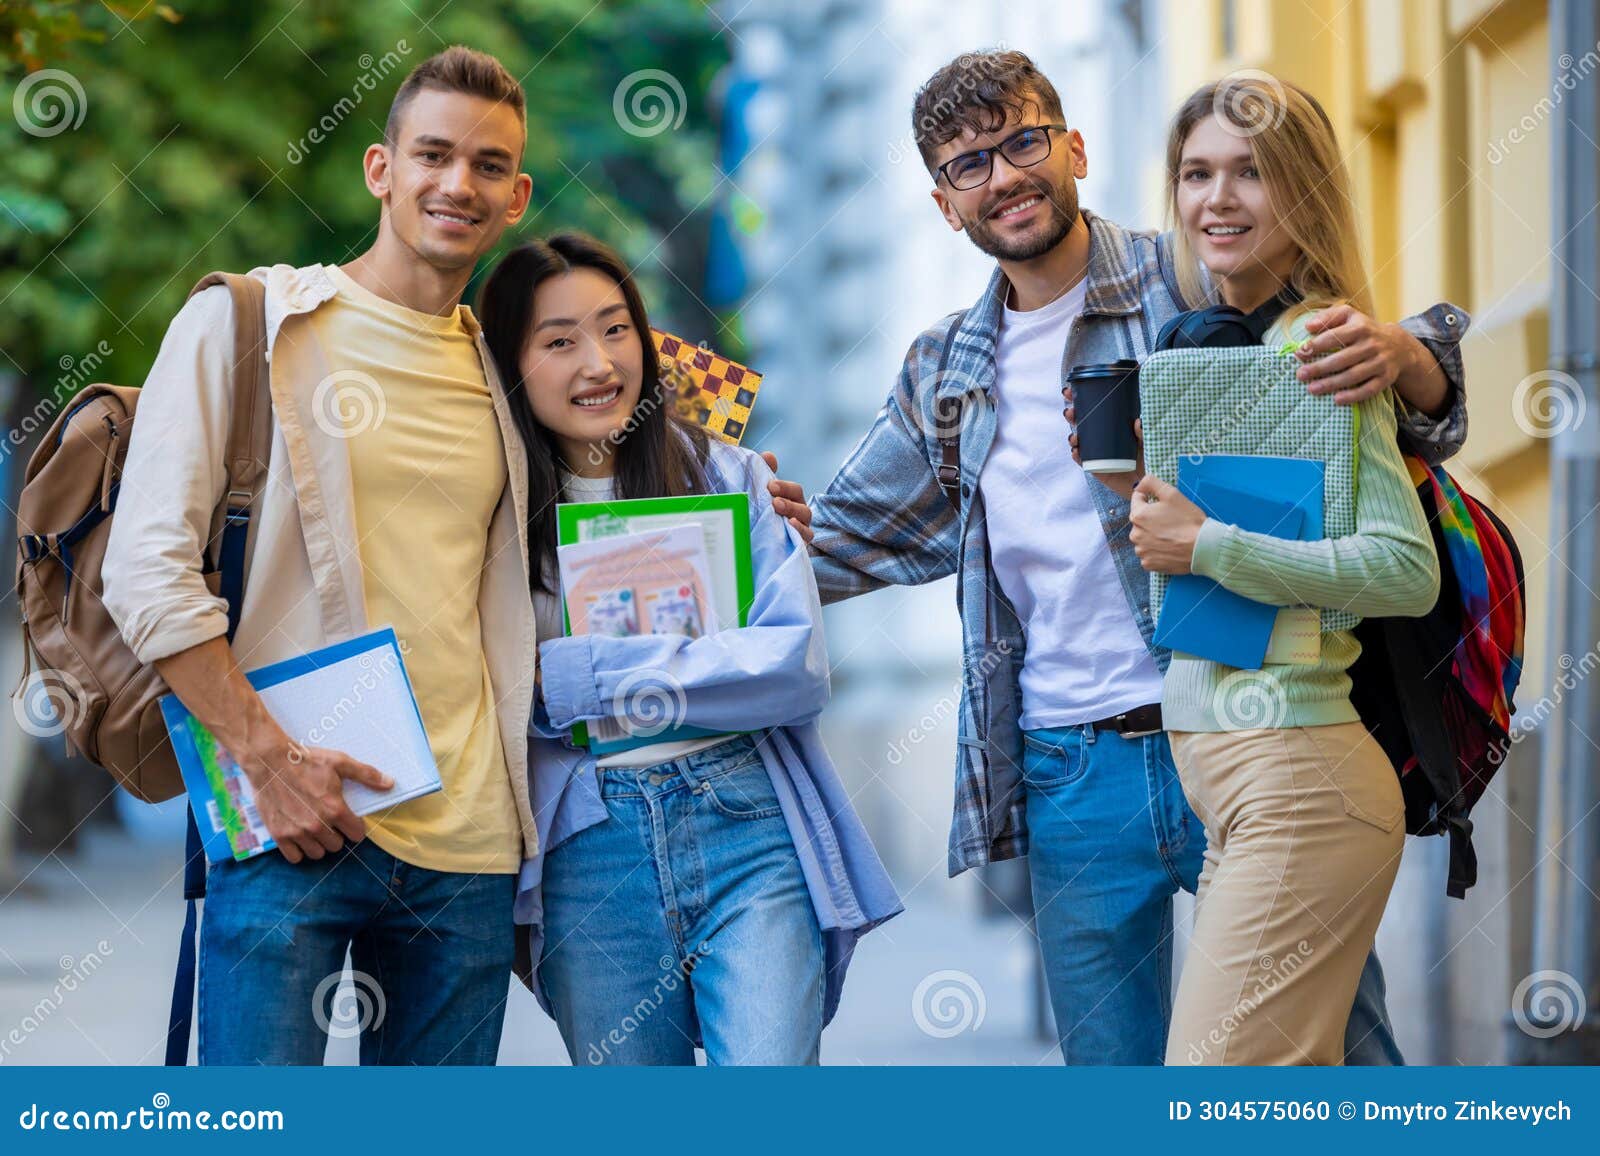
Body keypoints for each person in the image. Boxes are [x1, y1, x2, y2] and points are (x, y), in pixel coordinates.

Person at [763, 49, 1470, 1065]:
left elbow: (1343, 332)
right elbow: (847, 539)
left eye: (1022, 142)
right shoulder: (944, 371)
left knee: (1338, 1058)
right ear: (943, 202)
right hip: (1069, 769)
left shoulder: (1184, 270)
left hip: (1250, 726)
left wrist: (1412, 357)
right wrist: (732, 534)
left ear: (1073, 146)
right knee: (1116, 1083)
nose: (1003, 175)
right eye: (971, 164)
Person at [105, 46, 539, 1065]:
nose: (456, 184)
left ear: (515, 196)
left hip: (468, 845)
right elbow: (147, 571)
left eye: (486, 166)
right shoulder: (249, 323)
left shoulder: (508, 370)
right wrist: (269, 759)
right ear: (380, 171)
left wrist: (759, 495)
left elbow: (628, 478)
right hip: (285, 820)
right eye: (432, 154)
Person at [476, 233, 899, 1066]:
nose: (598, 363)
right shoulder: (488, 515)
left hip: (745, 817)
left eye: (615, 328)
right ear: (513, 364)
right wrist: (703, 669)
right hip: (588, 842)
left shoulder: (728, 475)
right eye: (559, 341)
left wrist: (575, 673)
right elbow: (483, 686)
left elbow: (790, 669)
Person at [1125, 77, 1438, 1065]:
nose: (1217, 198)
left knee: (1217, 1090)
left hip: (1298, 779)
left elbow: (1402, 569)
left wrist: (1205, 544)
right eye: (1196, 173)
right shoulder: (1214, 351)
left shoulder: (1314, 345)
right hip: (1245, 783)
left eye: (1251, 172)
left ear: (1301, 191)